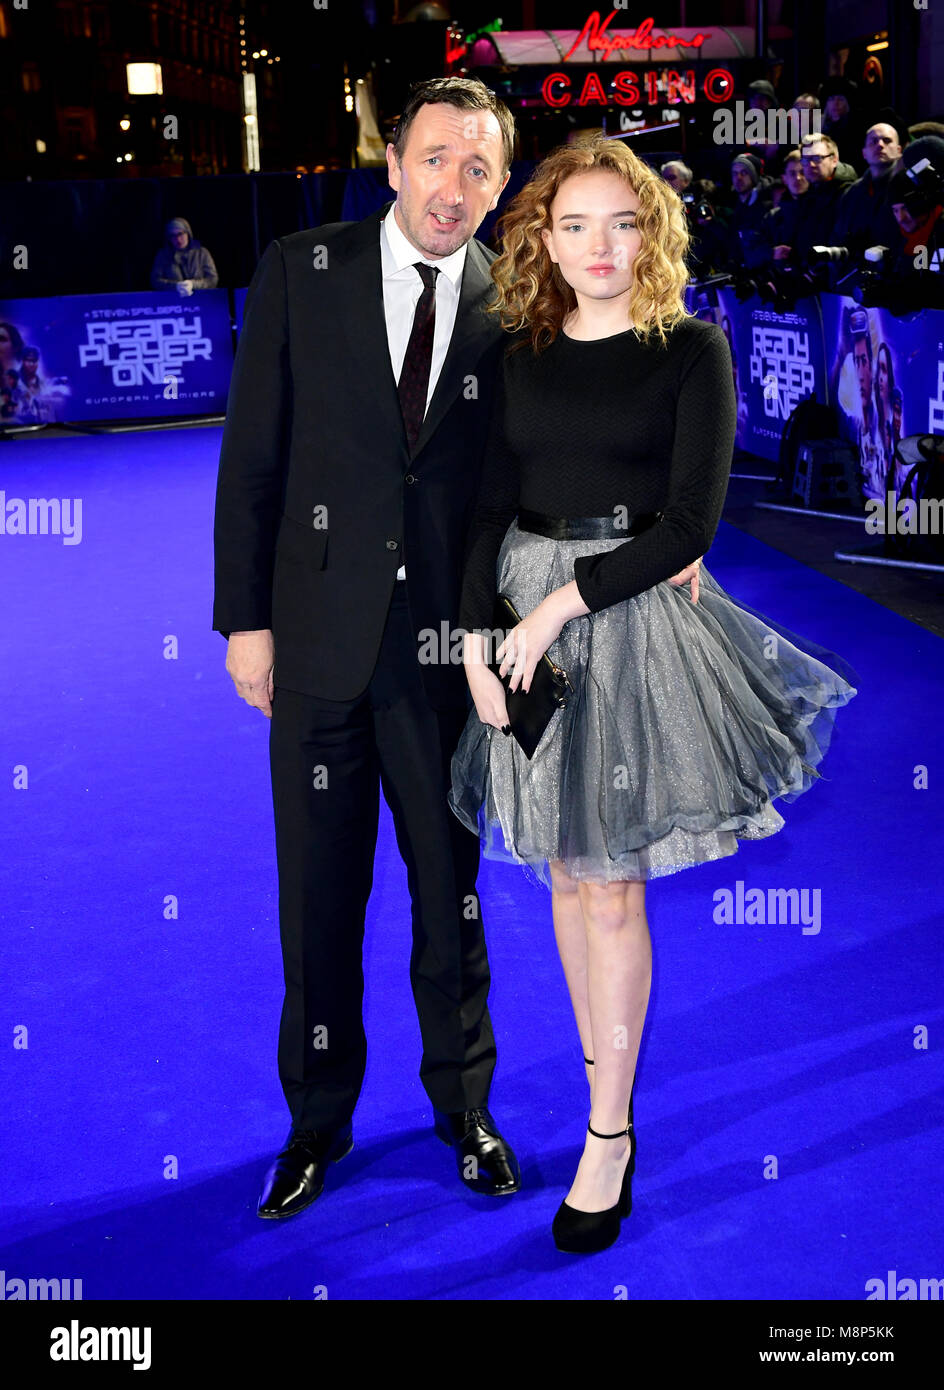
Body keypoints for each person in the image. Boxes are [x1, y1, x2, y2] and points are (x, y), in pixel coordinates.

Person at [448, 136, 857, 1255]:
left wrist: (550, 613)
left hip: (619, 625)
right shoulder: (516, 352)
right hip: (523, 620)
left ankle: (607, 1131)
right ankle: (597, 1083)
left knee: (609, 886)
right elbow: (485, 511)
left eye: (618, 224)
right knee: (567, 884)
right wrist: (482, 641)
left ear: (651, 233)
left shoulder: (689, 352)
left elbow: (688, 525)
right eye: (571, 224)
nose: (595, 247)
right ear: (541, 236)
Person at [212, 76, 523, 1220]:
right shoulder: (304, 271)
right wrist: (246, 623)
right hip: (314, 645)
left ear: (499, 187)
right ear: (392, 160)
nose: (453, 186)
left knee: (452, 900)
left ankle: (464, 1109)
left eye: (478, 168)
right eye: (434, 158)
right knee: (319, 897)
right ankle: (315, 1122)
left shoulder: (509, 301)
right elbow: (252, 463)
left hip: (448, 658)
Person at [833, 123, 904, 261]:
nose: (880, 145)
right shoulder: (852, 193)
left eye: (887, 140)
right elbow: (838, 236)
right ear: (864, 153)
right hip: (855, 273)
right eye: (873, 141)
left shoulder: (907, 188)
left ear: (899, 150)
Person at [150, 217, 219, 295]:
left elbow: (212, 279)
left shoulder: (202, 253)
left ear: (188, 233)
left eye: (180, 234)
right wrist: (176, 286)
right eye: (173, 236)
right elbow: (155, 281)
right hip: (173, 301)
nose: (178, 239)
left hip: (201, 299)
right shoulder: (163, 255)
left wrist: (193, 284)